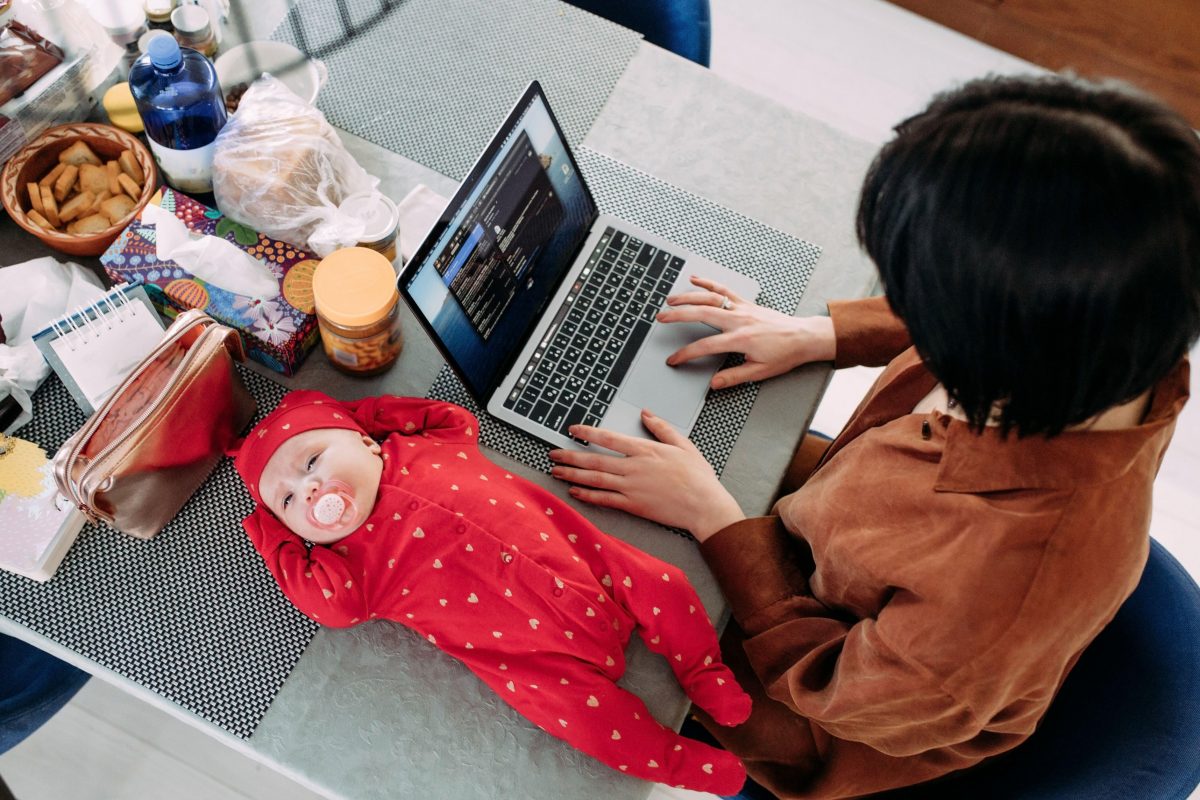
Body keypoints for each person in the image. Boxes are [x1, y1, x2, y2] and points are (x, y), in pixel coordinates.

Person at [547, 73, 1200, 798]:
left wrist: (714, 520)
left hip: (811, 703)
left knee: (536, 562)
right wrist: (823, 333)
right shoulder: (1124, 340)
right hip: (834, 527)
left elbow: (830, 690)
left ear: (998, 337)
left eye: (927, 298)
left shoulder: (1000, 576)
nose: (914, 308)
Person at [232, 390, 753, 795]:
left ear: (366, 439)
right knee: (587, 721)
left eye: (311, 462)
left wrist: (358, 417)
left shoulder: (429, 443)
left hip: (591, 568)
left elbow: (449, 414)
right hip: (535, 659)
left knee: (664, 583)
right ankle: (675, 760)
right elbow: (321, 601)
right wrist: (267, 528)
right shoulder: (349, 573)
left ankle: (703, 669)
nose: (312, 492)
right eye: (288, 499)